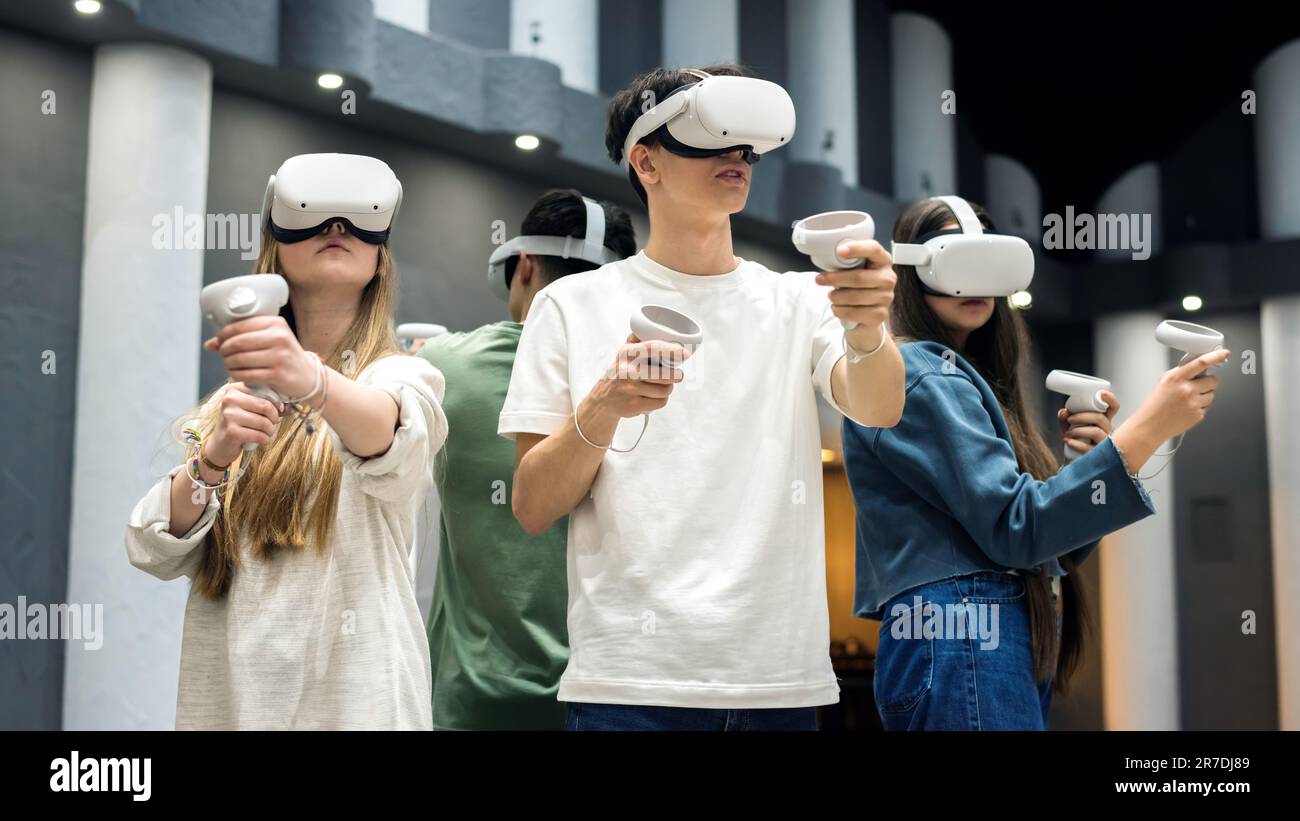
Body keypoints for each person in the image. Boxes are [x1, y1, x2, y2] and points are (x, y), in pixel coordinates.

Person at [498, 65, 906, 731]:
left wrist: (867, 327)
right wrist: (605, 403)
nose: (736, 154)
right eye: (710, 137)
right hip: (630, 684)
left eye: (745, 144)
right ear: (645, 161)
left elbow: (880, 407)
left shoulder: (797, 300)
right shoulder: (571, 305)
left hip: (776, 685)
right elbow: (533, 504)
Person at [842, 195, 1230, 730]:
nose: (977, 280)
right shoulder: (920, 372)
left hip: (974, 634)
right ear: (913, 267)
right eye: (956, 258)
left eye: (989, 259)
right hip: (963, 631)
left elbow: (1043, 547)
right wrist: (1149, 428)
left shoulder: (955, 376)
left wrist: (1088, 469)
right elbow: (1017, 529)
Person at [125, 153, 446, 730]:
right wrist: (214, 457)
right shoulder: (233, 405)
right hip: (236, 702)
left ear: (380, 257)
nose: (337, 228)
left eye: (357, 223)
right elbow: (153, 548)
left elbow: (391, 438)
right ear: (275, 249)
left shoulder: (401, 377)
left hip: (358, 704)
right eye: (314, 218)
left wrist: (310, 380)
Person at [420, 189, 636, 730]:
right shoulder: (649, 386)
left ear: (523, 266)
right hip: (609, 695)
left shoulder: (443, 367)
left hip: (472, 700)